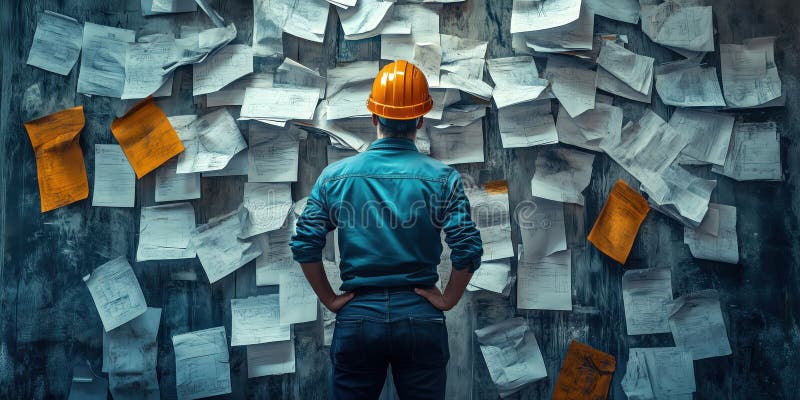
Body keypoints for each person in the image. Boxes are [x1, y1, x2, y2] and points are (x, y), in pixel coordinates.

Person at [289, 60, 483, 400]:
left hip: (358, 318)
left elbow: (305, 244)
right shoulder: (443, 179)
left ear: (374, 116)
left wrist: (331, 299)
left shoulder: (336, 177)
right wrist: (449, 298)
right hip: (420, 318)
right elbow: (467, 248)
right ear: (421, 121)